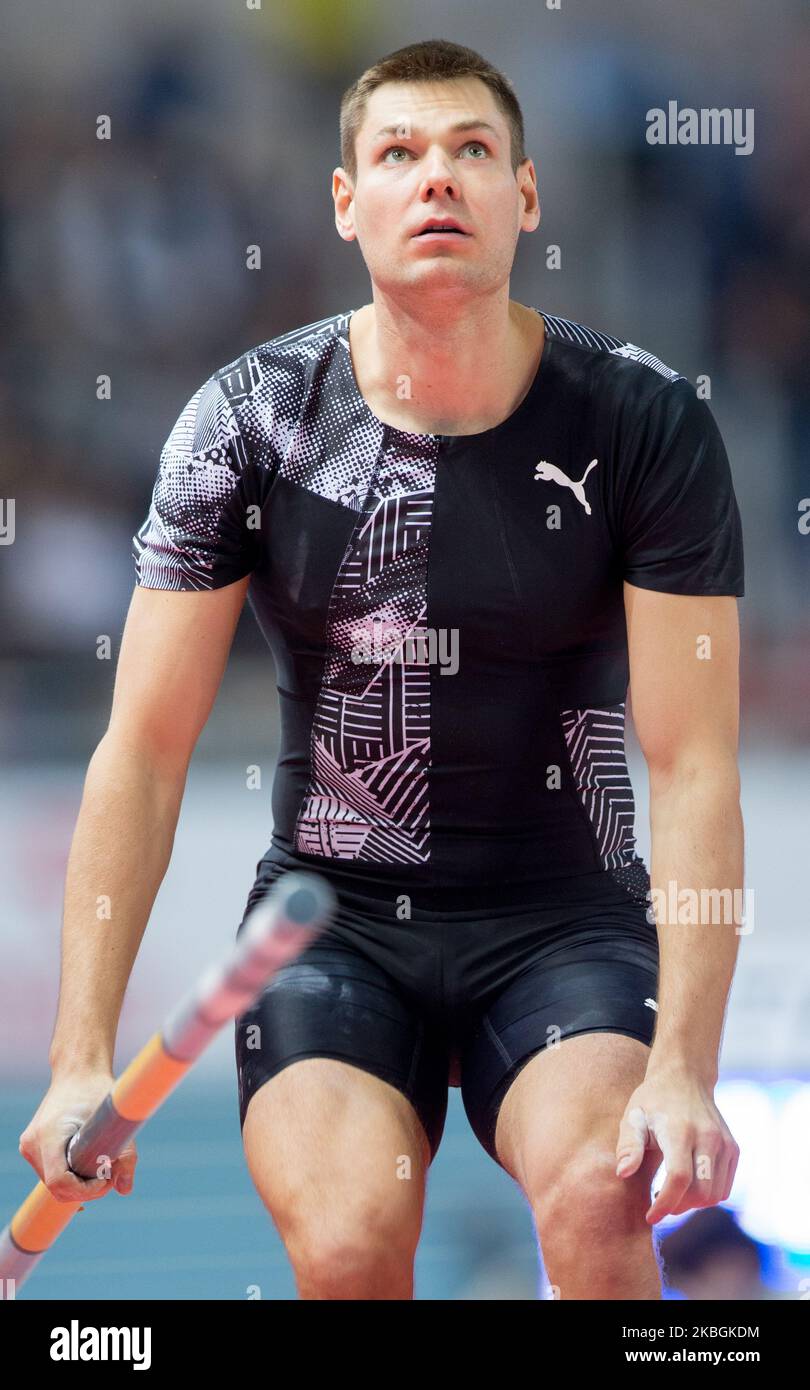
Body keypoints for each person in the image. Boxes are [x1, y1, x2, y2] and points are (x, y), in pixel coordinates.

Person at [19, 39, 745, 1301]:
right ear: (347, 205)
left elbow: (692, 765)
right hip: (333, 922)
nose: (438, 181)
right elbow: (140, 747)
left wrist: (685, 1060)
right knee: (352, 1245)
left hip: (566, 914)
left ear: (526, 195)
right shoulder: (248, 420)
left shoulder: (641, 420)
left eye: (472, 152)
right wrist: (80, 1053)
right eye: (399, 155)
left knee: (597, 1203)